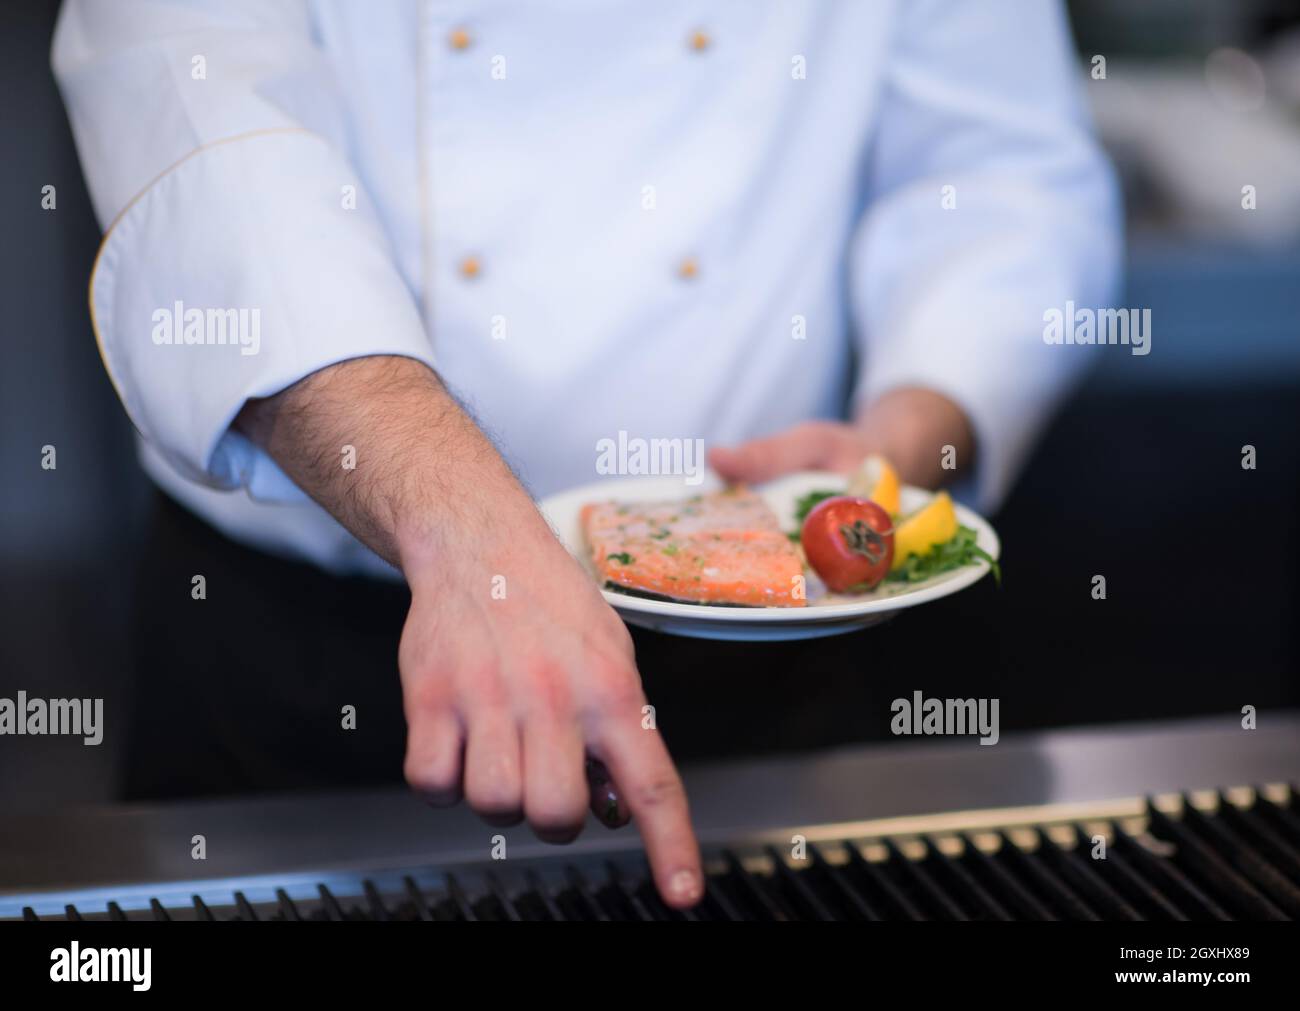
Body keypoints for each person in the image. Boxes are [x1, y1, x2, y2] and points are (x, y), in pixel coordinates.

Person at [52, 0, 1119, 909]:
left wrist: (889, 455)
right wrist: (467, 534)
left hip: (773, 645)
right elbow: (205, 134)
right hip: (308, 661)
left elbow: (997, 172)